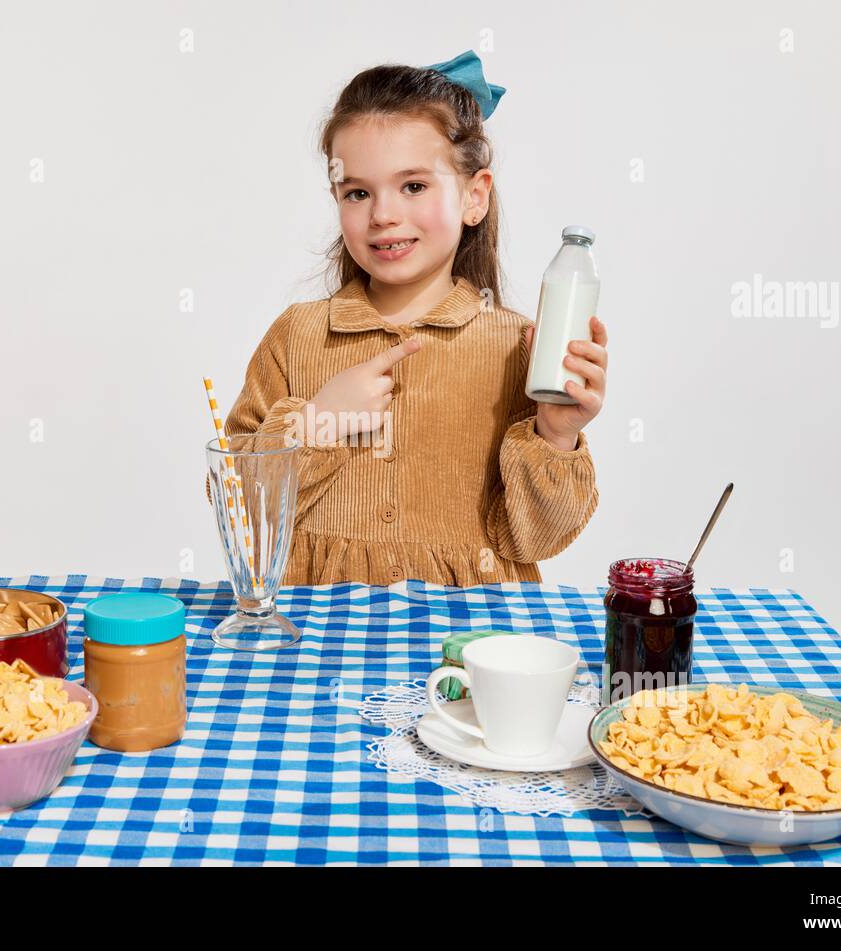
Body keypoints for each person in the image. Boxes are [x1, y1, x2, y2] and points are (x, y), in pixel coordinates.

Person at [220, 51, 608, 587]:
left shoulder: (516, 346)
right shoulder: (298, 335)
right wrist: (317, 421)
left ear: (474, 196)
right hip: (322, 635)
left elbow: (537, 540)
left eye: (414, 186)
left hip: (473, 639)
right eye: (358, 192)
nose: (383, 214)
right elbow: (244, 514)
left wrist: (556, 435)